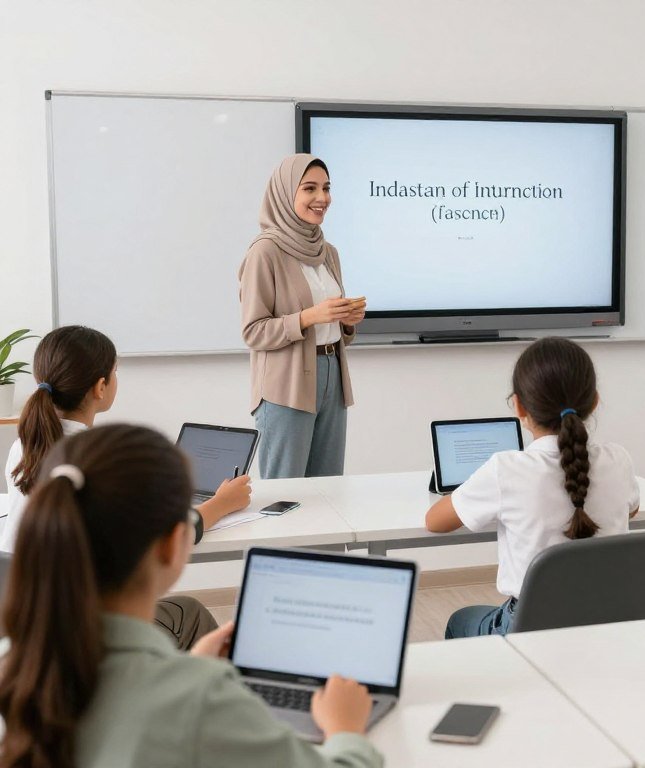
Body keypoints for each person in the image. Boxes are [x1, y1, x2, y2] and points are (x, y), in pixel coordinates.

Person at [0, 424, 381, 768]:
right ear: (171, 544)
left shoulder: (12, 662)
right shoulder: (199, 701)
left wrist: (191, 669)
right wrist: (346, 730)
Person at [3, 325, 251, 648]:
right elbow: (165, 534)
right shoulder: (101, 457)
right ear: (101, 387)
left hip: (23, 618)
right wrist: (221, 503)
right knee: (190, 612)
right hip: (88, 632)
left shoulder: (23, 446)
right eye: (115, 372)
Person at [425, 337, 640, 638]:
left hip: (530, 627)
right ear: (594, 401)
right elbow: (632, 509)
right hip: (608, 622)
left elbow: (435, 522)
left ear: (519, 406)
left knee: (461, 619)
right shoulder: (619, 459)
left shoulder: (506, 469)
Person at [239, 154, 366, 479]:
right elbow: (253, 331)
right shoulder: (265, 252)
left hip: (332, 376)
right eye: (309, 188)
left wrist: (346, 320)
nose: (322, 198)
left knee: (328, 488)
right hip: (287, 382)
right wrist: (308, 317)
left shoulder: (328, 252)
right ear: (285, 194)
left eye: (326, 188)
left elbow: (330, 325)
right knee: (285, 489)